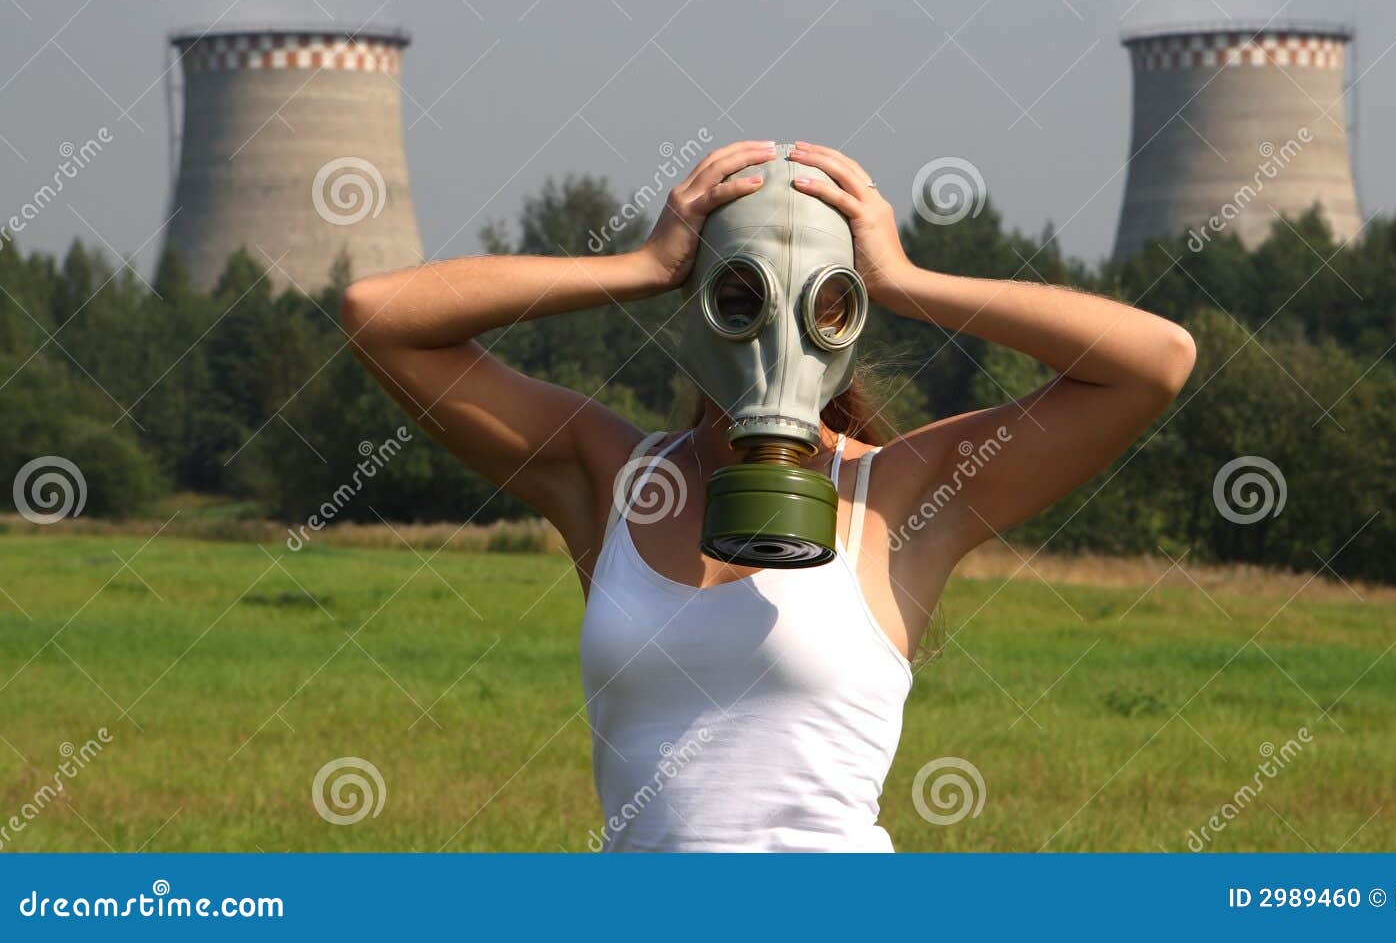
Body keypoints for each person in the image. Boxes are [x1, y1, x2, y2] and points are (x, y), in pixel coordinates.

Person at [341, 139, 1196, 851]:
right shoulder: (613, 479)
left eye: (820, 303)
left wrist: (907, 283)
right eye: (739, 295)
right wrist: (637, 266)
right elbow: (379, 315)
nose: (776, 335)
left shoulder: (897, 497)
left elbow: (1153, 361)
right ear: (696, 301)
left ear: (850, 318)